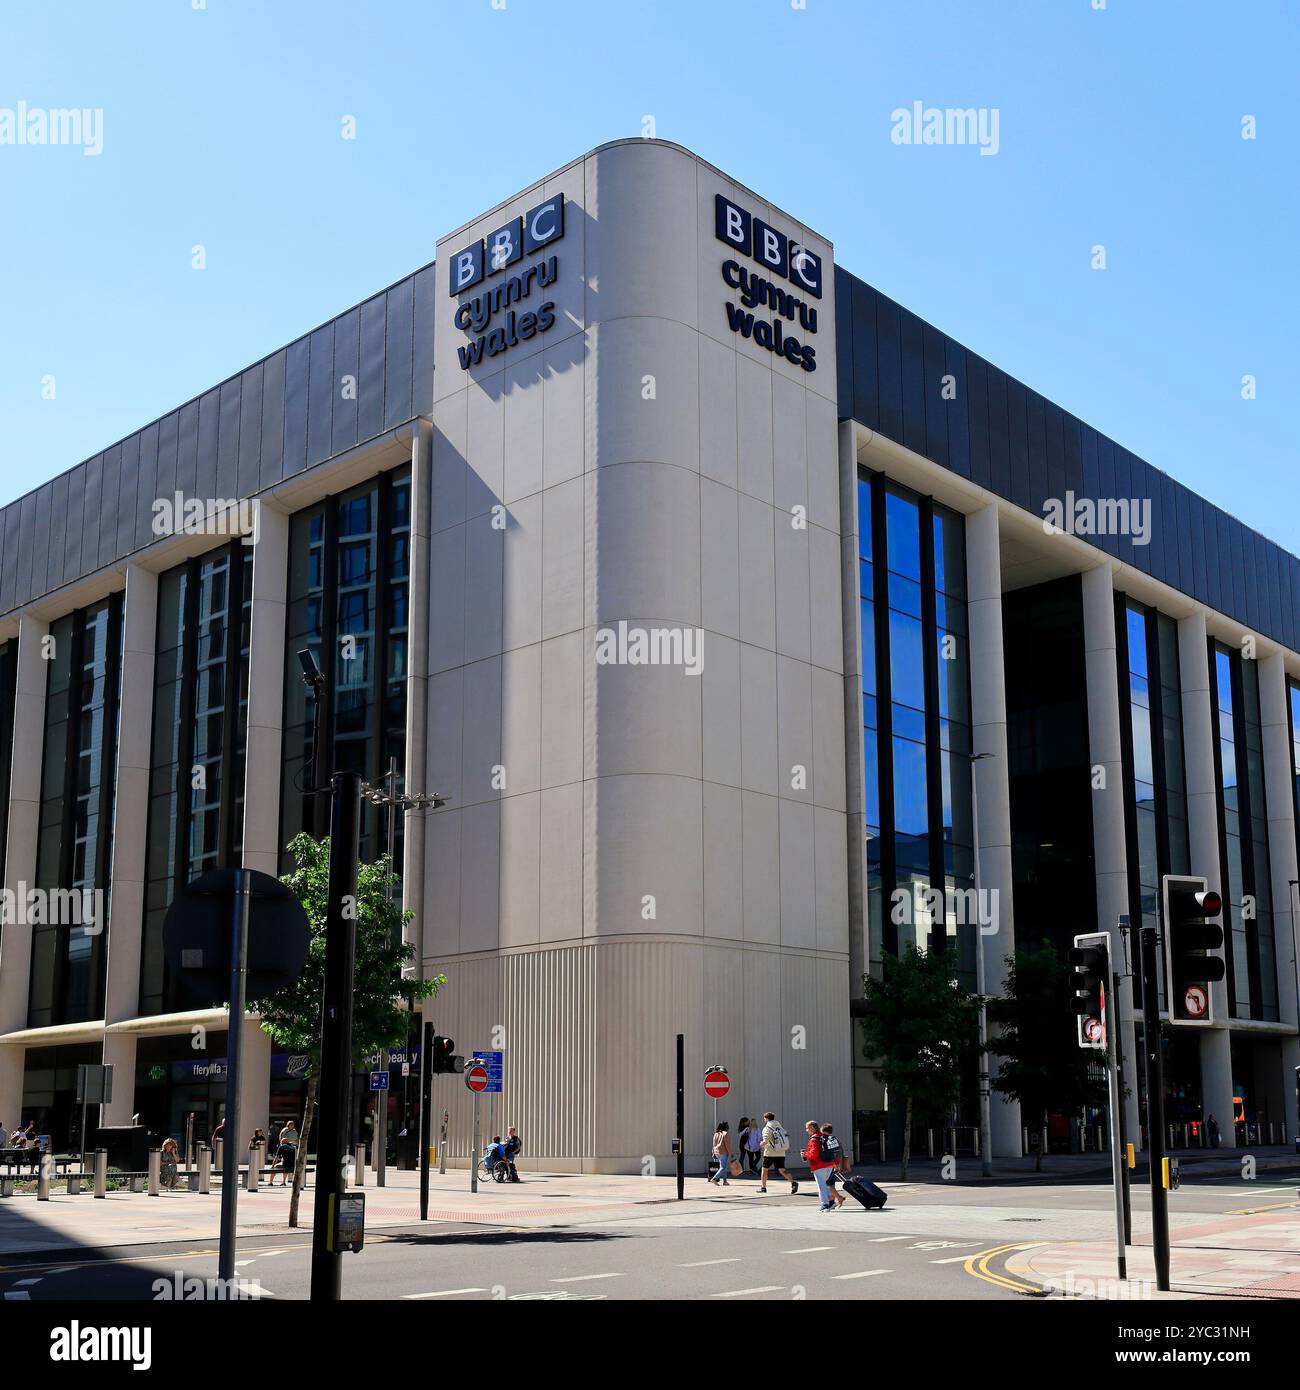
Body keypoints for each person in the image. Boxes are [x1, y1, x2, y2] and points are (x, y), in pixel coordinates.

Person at [758, 1112, 798, 1195]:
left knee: (764, 1170)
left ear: (766, 1118)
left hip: (770, 1152)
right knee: (782, 1170)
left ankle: (763, 1187)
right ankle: (793, 1183)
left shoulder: (767, 1128)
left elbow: (765, 1141)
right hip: (781, 1152)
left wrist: (761, 1144)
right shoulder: (780, 1127)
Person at [803, 1120, 838, 1211]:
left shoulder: (814, 1139)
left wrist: (805, 1154)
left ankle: (825, 1205)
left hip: (819, 1166)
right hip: (829, 1164)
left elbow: (814, 1154)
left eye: (807, 1128)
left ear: (812, 1128)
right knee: (826, 1185)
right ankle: (831, 1203)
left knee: (821, 1186)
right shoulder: (824, 1137)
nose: (806, 1130)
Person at [818, 1124, 849, 1210]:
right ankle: (836, 1200)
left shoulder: (828, 1140)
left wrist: (835, 1165)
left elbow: (832, 1154)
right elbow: (840, 1152)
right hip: (836, 1164)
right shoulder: (836, 1140)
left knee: (827, 1184)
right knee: (830, 1184)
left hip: (832, 1165)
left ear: (823, 1131)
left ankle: (837, 1199)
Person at [709, 1121, 734, 1186]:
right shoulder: (725, 1134)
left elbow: (714, 1144)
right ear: (725, 1127)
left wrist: (713, 1152)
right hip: (723, 1152)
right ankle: (714, 1178)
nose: (728, 1127)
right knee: (723, 1167)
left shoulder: (716, 1134)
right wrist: (731, 1153)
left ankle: (725, 1181)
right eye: (727, 1125)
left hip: (717, 1152)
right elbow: (727, 1145)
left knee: (723, 1167)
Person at [275, 1120, 299, 1186]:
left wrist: (296, 1143)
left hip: (292, 1146)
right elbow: (281, 1138)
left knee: (288, 1163)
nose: (292, 1125)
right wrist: (282, 1145)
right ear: (288, 1125)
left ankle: (288, 1180)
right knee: (284, 1162)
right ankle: (283, 1181)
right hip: (285, 1147)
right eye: (291, 1124)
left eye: (293, 1124)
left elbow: (296, 1138)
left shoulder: (294, 1131)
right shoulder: (284, 1130)